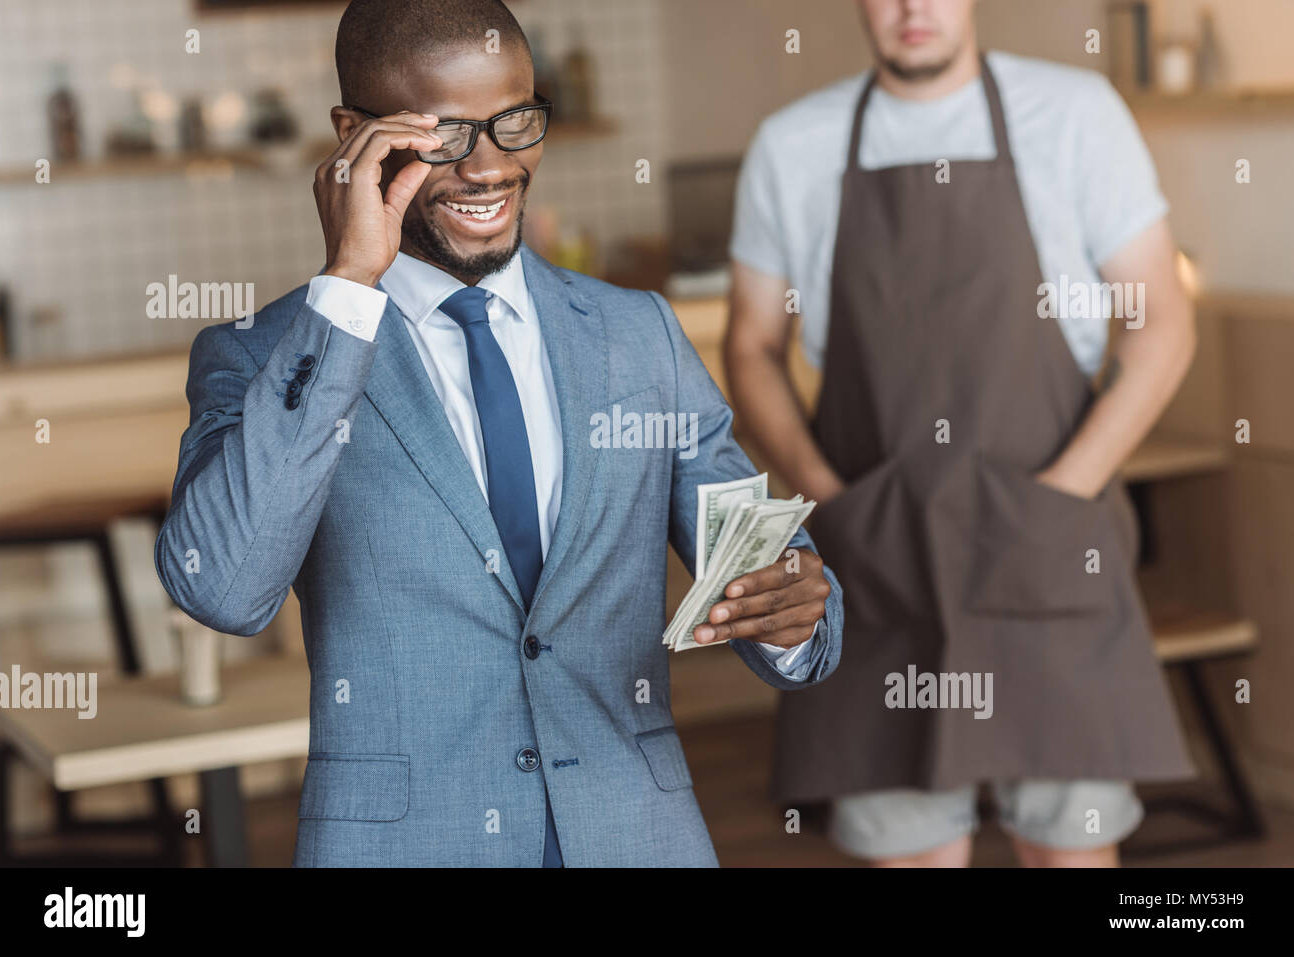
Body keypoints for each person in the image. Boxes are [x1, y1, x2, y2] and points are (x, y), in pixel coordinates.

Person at [155, 0, 842, 867]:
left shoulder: (639, 337)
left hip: (636, 837)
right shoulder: (263, 356)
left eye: (514, 121)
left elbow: (754, 557)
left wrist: (786, 609)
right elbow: (221, 588)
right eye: (443, 133)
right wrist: (348, 286)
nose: (490, 166)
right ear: (351, 137)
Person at [725, 0, 1196, 867]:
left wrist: (1060, 498)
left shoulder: (1077, 113)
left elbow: (1161, 319)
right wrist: (833, 502)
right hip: (876, 557)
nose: (913, 8)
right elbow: (750, 346)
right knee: (912, 850)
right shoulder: (792, 145)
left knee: (1069, 846)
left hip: (1048, 549)